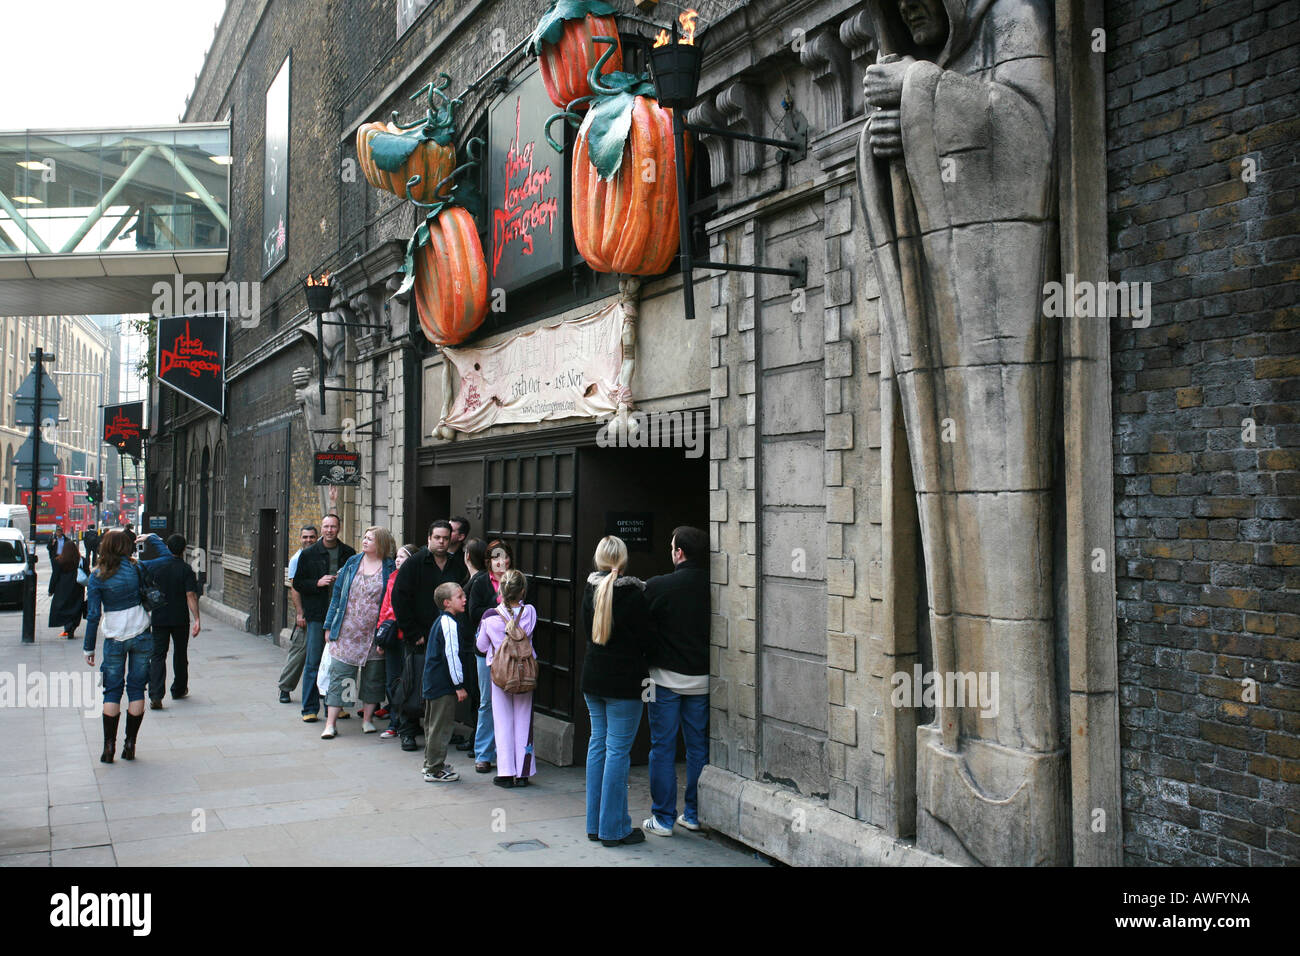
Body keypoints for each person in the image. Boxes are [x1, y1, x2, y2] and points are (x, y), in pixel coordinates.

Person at [581, 535, 655, 847]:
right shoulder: (635, 595)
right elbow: (646, 640)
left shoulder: (590, 590)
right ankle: (615, 829)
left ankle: (595, 825)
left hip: (593, 677)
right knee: (617, 752)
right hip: (624, 683)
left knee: (598, 745)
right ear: (623, 561)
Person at [642, 526, 710, 837]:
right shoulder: (714, 584)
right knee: (698, 748)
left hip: (663, 680)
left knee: (662, 747)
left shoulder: (658, 586)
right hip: (702, 680)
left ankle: (663, 818)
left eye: (672, 547)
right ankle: (694, 813)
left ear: (679, 552)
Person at [391, 520, 464, 751]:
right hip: (420, 635)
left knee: (443, 684)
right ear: (429, 538)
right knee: (413, 682)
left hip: (448, 633)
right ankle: (407, 730)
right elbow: (399, 599)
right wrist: (413, 633)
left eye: (445, 538)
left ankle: (440, 730)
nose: (442, 542)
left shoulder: (456, 564)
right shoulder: (414, 564)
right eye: (437, 538)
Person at [83, 529, 153, 763]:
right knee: (136, 689)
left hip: (114, 638)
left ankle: (108, 748)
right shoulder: (137, 568)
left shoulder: (97, 575)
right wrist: (155, 539)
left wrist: (89, 648)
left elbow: (93, 615)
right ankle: (130, 744)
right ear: (126, 546)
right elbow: (162, 562)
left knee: (112, 691)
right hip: (141, 632)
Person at [320, 526, 396, 739]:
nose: (364, 541)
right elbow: (337, 596)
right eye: (364, 537)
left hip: (373, 633)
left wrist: (385, 633)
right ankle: (330, 724)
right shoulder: (352, 563)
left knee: (373, 677)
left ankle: (367, 720)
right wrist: (329, 625)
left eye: (370, 539)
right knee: (341, 676)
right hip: (347, 631)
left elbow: (391, 601)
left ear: (380, 543)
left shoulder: (389, 567)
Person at [476, 569, 538, 788]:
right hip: (525, 672)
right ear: (522, 591)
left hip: (500, 674)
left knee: (502, 721)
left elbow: (481, 646)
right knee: (524, 720)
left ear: (500, 590)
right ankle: (523, 772)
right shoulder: (530, 612)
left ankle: (505, 772)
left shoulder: (489, 617)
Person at [292, 514, 356, 722]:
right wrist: (317, 583)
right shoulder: (309, 554)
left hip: (341, 617)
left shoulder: (349, 553)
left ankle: (336, 705)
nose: (329, 530)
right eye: (326, 526)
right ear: (322, 528)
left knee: (340, 663)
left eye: (333, 526)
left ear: (339, 528)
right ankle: (309, 708)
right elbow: (298, 583)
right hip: (318, 615)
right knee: (313, 662)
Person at [140, 533, 201, 709]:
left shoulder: (156, 568)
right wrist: (196, 618)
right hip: (180, 618)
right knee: (180, 654)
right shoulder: (186, 569)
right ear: (183, 550)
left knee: (158, 655)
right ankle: (179, 688)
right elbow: (190, 595)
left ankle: (156, 694)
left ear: (168, 548)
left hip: (159, 616)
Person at [420, 582, 468, 782]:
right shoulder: (449, 624)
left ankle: (430, 763)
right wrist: (459, 685)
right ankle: (435, 769)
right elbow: (452, 655)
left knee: (432, 725)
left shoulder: (441, 621)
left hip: (433, 681)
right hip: (443, 684)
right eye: (460, 596)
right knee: (441, 726)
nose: (464, 599)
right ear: (447, 603)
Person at [377, 544, 419, 740]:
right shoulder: (392, 577)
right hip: (392, 636)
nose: (398, 560)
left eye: (403, 556)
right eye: (397, 556)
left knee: (408, 682)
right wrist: (381, 636)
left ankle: (408, 722)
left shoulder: (416, 579)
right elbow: (385, 608)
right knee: (393, 681)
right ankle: (395, 721)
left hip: (409, 637)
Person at [464, 538, 497, 773]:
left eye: (504, 557)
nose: (501, 561)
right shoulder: (481, 582)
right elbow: (474, 613)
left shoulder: (516, 581)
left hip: (513, 652)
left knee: (512, 704)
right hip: (485, 650)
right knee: (486, 702)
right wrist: (500, 611)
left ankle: (508, 753)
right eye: (496, 557)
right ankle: (484, 753)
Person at [278, 525, 319, 703]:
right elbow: (295, 589)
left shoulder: (319, 555)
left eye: (311, 537)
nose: (308, 540)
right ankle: (285, 688)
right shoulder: (298, 558)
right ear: (300, 538)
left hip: (320, 611)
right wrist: (300, 613)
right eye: (305, 537)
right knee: (299, 651)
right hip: (306, 613)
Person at [48, 536, 86, 641]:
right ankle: (72, 627)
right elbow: (87, 573)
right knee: (76, 607)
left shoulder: (58, 560)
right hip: (77, 587)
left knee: (64, 607)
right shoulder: (81, 560)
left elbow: (55, 576)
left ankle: (67, 626)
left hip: (62, 588)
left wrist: (51, 590)